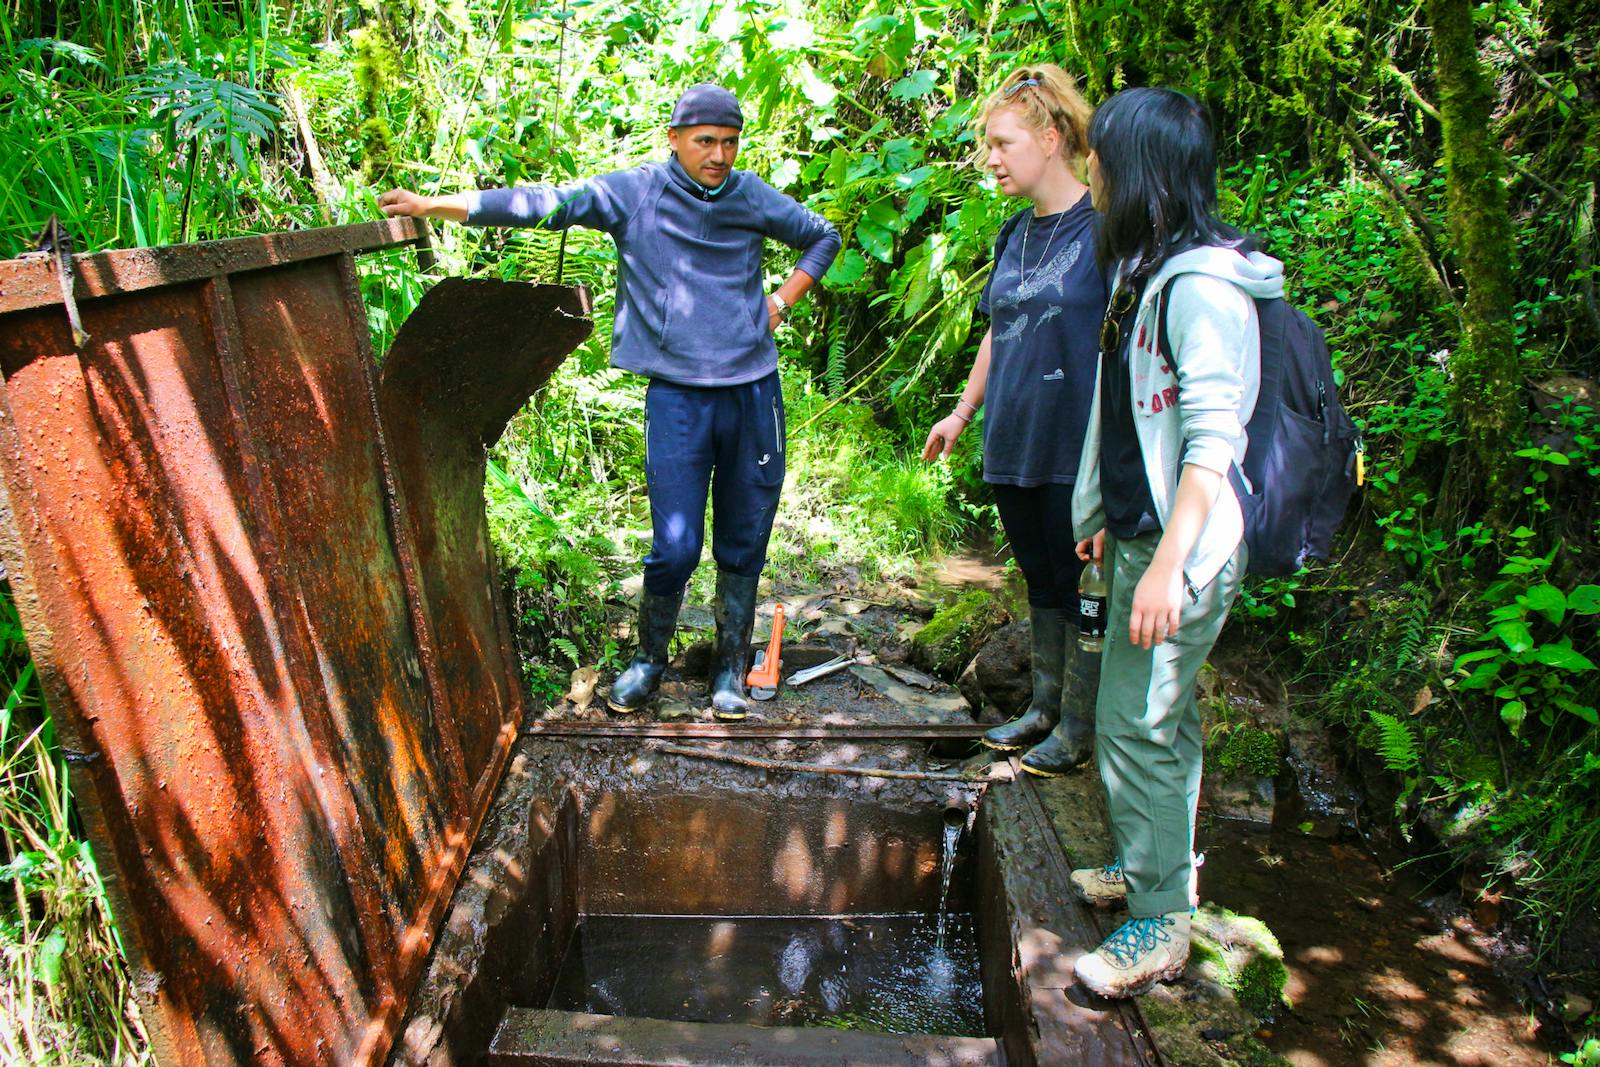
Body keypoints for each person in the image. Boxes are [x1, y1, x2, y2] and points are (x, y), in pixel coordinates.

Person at [380, 85, 840, 722]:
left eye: (730, 142)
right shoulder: (636, 193)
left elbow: (822, 236)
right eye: (705, 141)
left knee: (745, 538)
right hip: (677, 397)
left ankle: (729, 666)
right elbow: (546, 203)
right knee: (675, 546)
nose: (719, 155)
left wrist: (782, 301)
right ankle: (649, 660)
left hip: (752, 393)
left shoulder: (749, 194)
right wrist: (438, 205)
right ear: (674, 139)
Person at [1066, 87, 1285, 998]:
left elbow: (1211, 444)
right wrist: (1101, 514)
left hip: (1183, 547)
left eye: (1100, 155)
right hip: (1144, 533)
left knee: (1134, 722)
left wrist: (1165, 565)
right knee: (1162, 715)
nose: (1090, 169)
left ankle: (1160, 923)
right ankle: (1152, 861)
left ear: (1138, 171)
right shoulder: (1146, 271)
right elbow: (1128, 419)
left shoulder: (1201, 289)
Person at [922, 65, 1106, 776]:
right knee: (1039, 578)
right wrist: (962, 412)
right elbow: (999, 331)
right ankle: (1045, 706)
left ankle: (1081, 726)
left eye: (1002, 144)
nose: (990, 159)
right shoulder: (1012, 235)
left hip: (1074, 442)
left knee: (1080, 583)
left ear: (1051, 138)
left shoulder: (1105, 230)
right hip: (1013, 434)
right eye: (988, 146)